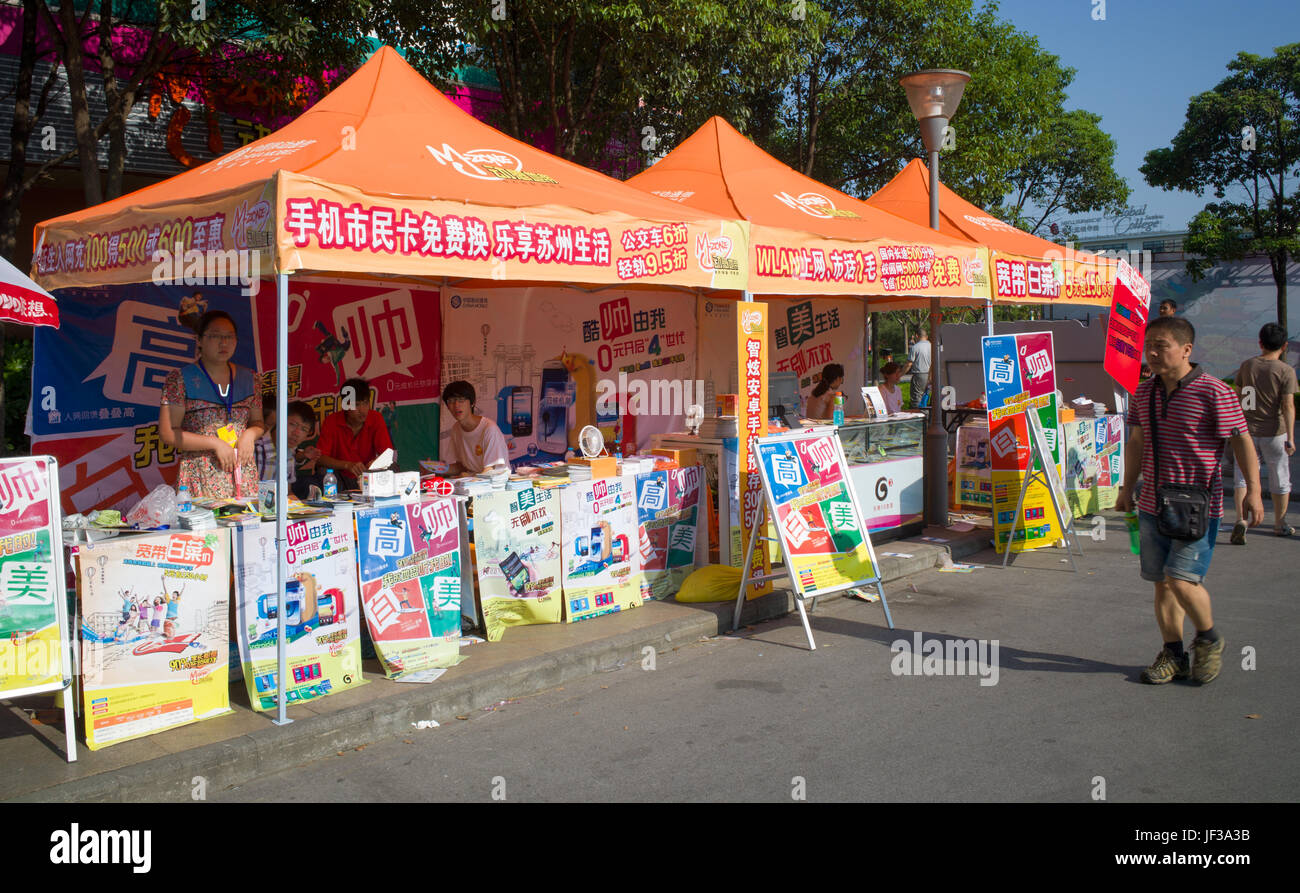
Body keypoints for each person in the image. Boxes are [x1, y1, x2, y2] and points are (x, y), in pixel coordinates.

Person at [1115, 316, 1263, 686]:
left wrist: (1255, 491)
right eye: (1148, 346)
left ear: (1186, 350)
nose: (1152, 353)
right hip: (1152, 502)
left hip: (1198, 505)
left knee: (1181, 580)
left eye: (1161, 346)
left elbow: (1241, 441)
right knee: (1161, 583)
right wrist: (1126, 487)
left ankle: (1210, 637)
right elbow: (1136, 443)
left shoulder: (1215, 392)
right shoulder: (1144, 392)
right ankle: (1174, 654)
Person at [159, 311, 263, 499]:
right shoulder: (181, 379)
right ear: (199, 340)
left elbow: (258, 422)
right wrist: (215, 443)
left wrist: (249, 434)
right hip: (200, 474)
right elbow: (168, 433)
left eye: (229, 337)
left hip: (242, 471)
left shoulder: (250, 378)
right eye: (215, 336)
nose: (223, 343)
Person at [1231, 322, 1297, 540]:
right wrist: (1291, 437)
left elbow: (1239, 396)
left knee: (1243, 477)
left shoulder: (1247, 365)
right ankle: (1280, 523)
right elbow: (1287, 405)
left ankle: (1241, 519)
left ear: (1260, 342)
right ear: (1284, 346)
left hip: (1246, 430)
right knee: (1280, 477)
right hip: (1275, 432)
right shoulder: (1285, 371)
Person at [316, 378, 395, 490]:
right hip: (340, 477)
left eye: (365, 403)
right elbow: (320, 458)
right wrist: (347, 465)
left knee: (392, 466)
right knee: (323, 470)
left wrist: (376, 463)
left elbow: (388, 453)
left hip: (367, 477)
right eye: (357, 405)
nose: (362, 410)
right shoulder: (331, 421)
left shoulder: (376, 418)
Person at [442, 380, 510, 474]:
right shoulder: (456, 429)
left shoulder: (489, 429)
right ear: (447, 406)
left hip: (494, 484)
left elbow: (491, 471)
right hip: (473, 484)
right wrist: (435, 468)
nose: (456, 405)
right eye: (451, 401)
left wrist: (470, 482)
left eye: (461, 399)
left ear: (472, 403)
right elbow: (460, 466)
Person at [257, 399, 321, 488]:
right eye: (293, 424)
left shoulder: (289, 455)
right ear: (280, 420)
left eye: (304, 429)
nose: (297, 433)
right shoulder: (256, 449)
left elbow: (288, 492)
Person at [901, 327, 932, 409]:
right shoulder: (932, 346)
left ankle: (919, 418)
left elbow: (909, 364)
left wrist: (900, 374)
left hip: (919, 376)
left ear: (916, 336)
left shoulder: (916, 347)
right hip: (931, 374)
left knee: (916, 399)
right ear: (927, 336)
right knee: (926, 398)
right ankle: (927, 417)